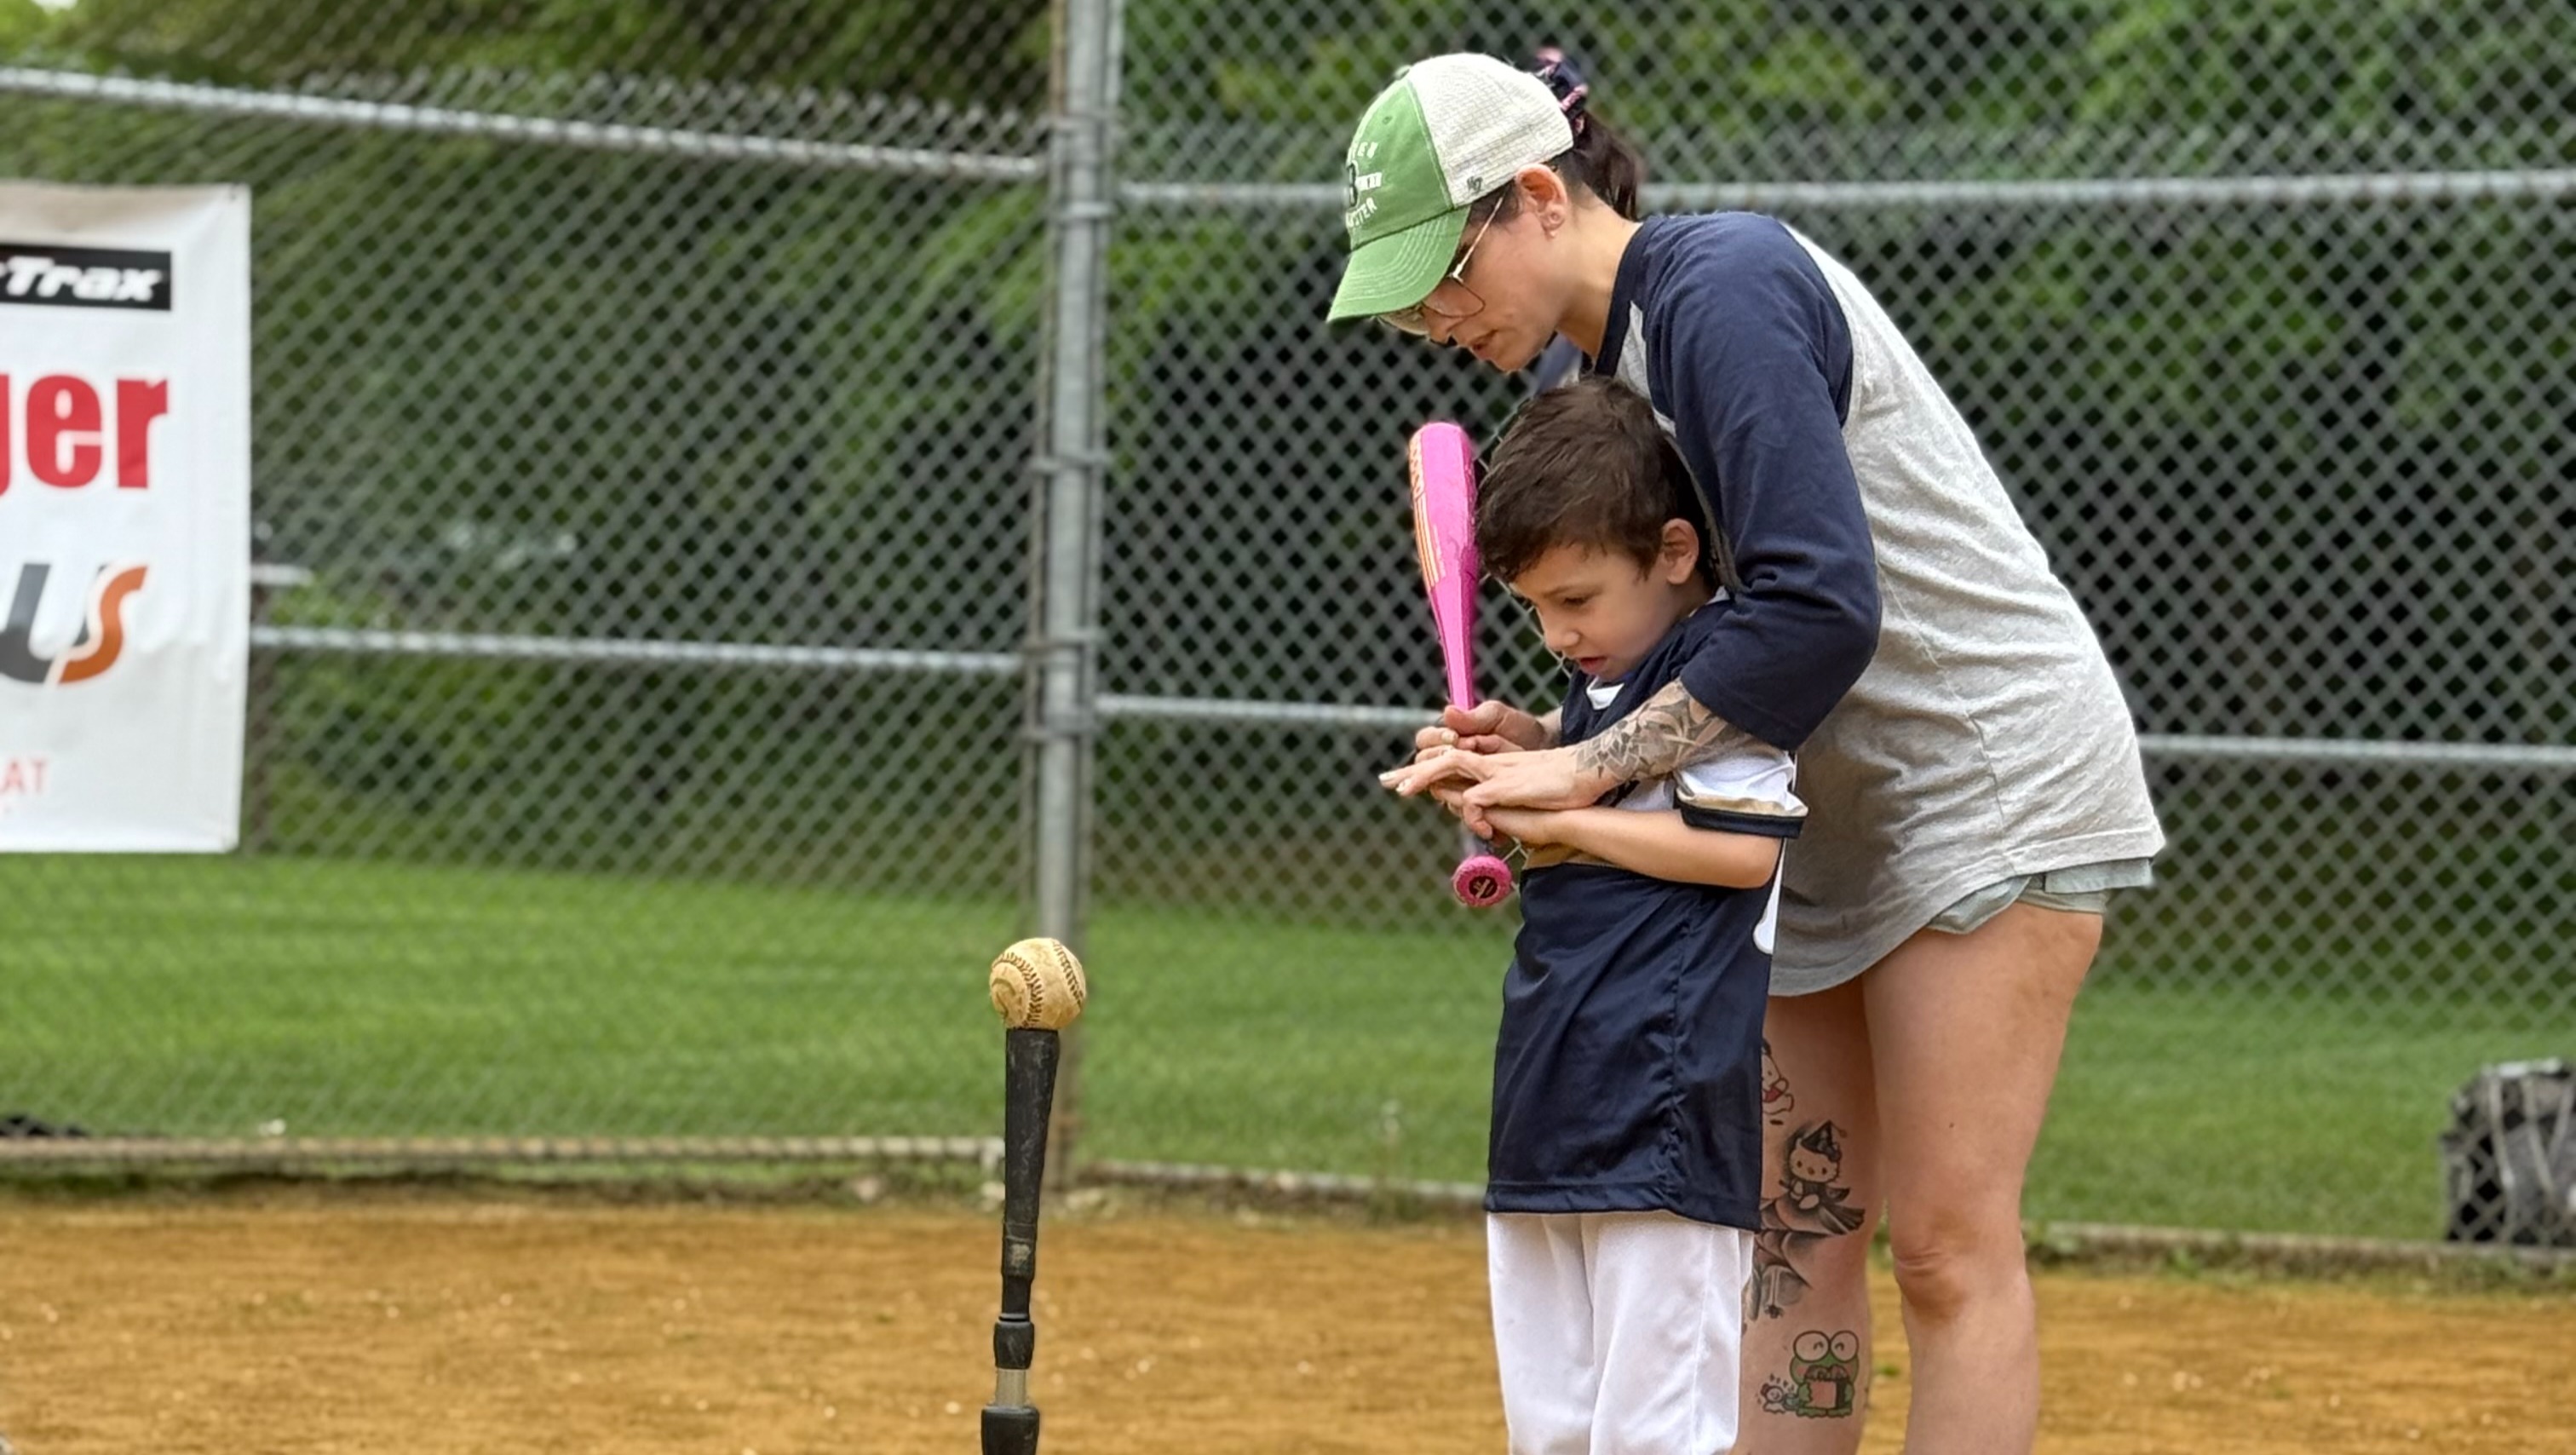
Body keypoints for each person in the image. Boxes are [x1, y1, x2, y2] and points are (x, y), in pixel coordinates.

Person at [1346, 52, 2165, 1454]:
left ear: (1537, 195)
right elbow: (1689, 636)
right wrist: (1553, 737)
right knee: (1787, 1237)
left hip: (1980, 780)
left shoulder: (1717, 290)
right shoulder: (1586, 370)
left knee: (1945, 1244)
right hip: (1796, 808)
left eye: (1444, 271)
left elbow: (1816, 605)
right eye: (1408, 296)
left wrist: (1590, 773)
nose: (1433, 320)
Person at [1438, 375, 1806, 1455]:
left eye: (1579, 599)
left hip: (1663, 1105)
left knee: (1655, 1432)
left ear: (1675, 552)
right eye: (1536, 608)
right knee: (1551, 1426)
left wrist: (1564, 812)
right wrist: (1528, 750)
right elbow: (1607, 772)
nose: (1559, 633)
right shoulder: (1607, 687)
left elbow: (1741, 852)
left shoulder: (1723, 672)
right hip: (1554, 1095)